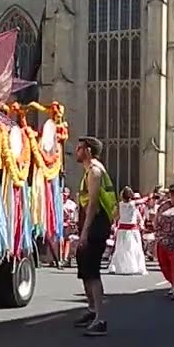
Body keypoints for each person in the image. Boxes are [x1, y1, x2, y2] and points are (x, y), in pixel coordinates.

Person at [73, 136, 116, 336]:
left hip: (96, 226)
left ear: (88, 151)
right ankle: (91, 310)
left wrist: (84, 232)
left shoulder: (95, 172)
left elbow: (92, 205)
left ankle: (101, 319)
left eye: (80, 147)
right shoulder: (89, 171)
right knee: (84, 269)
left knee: (92, 273)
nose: (76, 150)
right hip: (91, 225)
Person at [107, 187, 146, 275]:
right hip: (132, 230)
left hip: (122, 230)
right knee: (134, 248)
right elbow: (143, 200)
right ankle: (134, 267)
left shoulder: (119, 205)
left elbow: (115, 216)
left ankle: (119, 266)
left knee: (121, 248)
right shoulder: (134, 204)